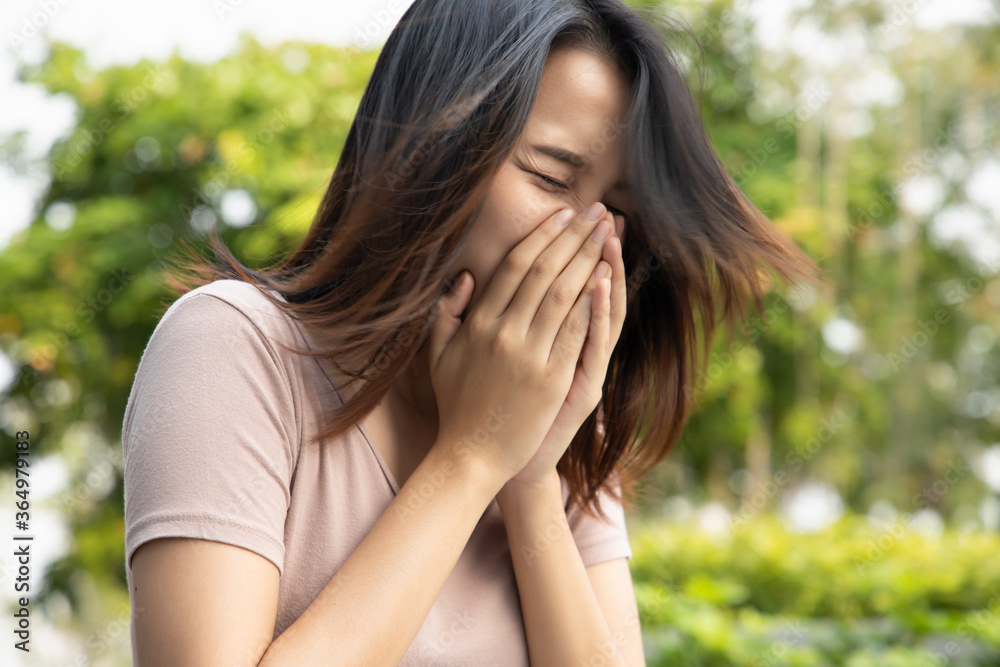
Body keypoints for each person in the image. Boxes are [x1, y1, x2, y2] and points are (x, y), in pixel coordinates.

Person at [122, 0, 821, 665]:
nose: (584, 236)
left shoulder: (568, 425)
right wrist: (472, 457)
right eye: (550, 177)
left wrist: (530, 477)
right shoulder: (233, 348)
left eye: (615, 207)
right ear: (431, 153)